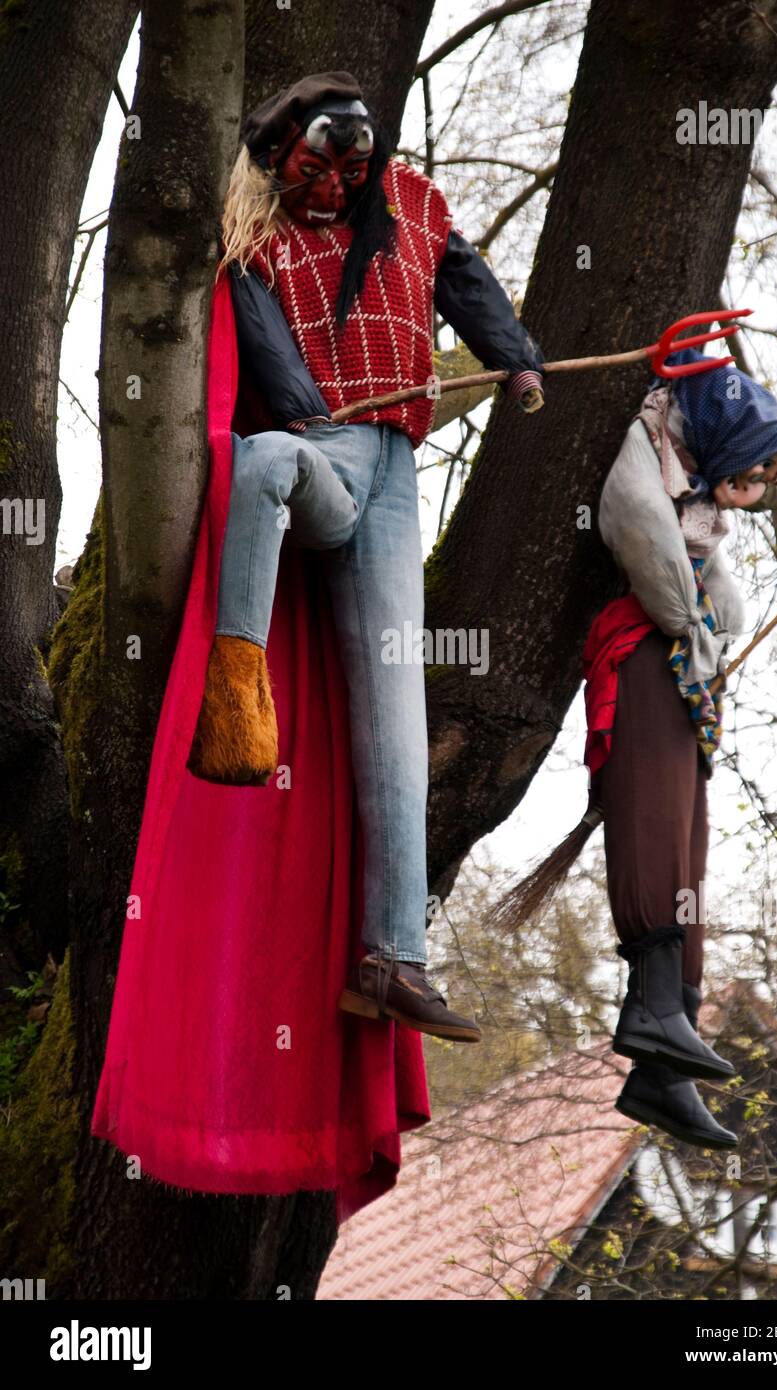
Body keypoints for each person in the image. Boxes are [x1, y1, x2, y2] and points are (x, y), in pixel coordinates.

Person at [186, 72, 547, 1044]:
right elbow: (257, 340)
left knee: (398, 724)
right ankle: (237, 682)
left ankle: (392, 960)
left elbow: (464, 279)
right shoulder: (256, 230)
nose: (333, 189)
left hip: (398, 472)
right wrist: (303, 405)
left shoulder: (416, 204)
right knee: (265, 459)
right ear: (285, 149)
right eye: (315, 168)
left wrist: (512, 355)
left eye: (350, 171)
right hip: (330, 448)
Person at [490, 346, 777, 1150]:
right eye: (755, 467)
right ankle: (653, 1010)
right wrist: (694, 623)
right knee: (659, 829)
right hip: (644, 662)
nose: (754, 489)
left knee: (689, 849)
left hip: (682, 675)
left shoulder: (694, 498)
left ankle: (664, 1061)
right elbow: (662, 577)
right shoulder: (648, 468)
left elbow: (714, 601)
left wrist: (704, 619)